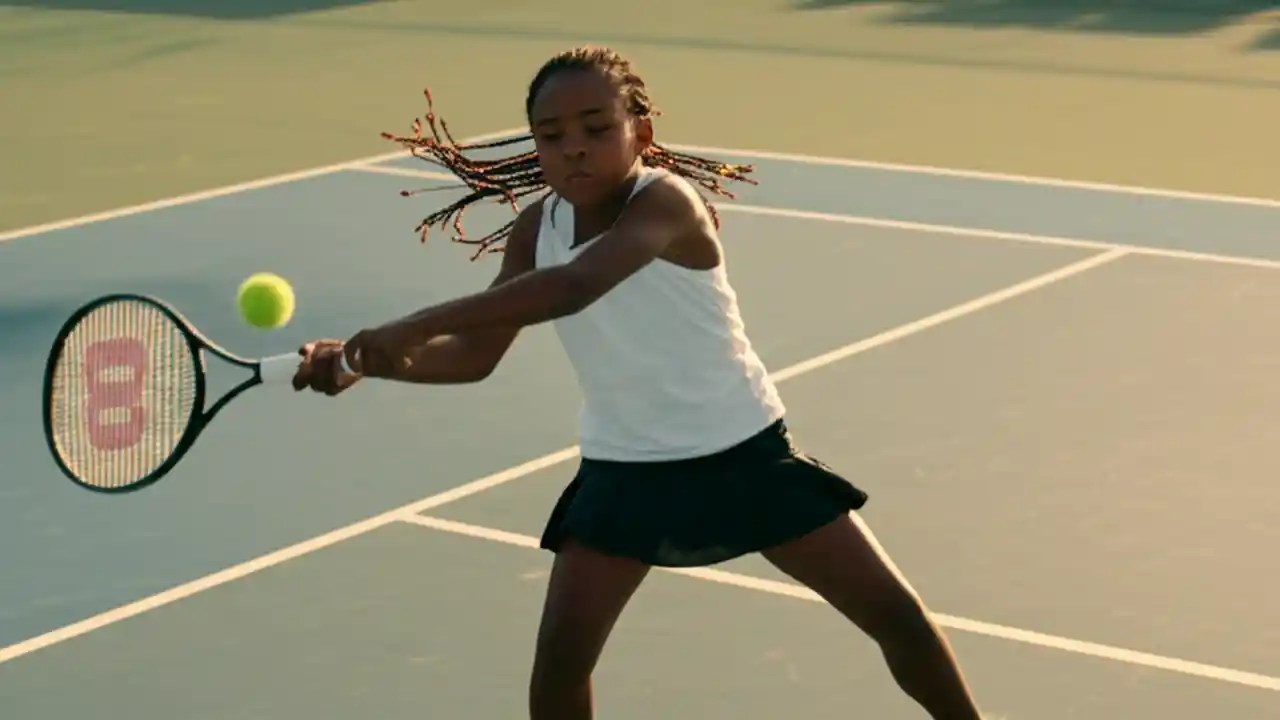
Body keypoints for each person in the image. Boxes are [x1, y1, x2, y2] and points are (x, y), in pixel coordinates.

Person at [293, 45, 984, 720]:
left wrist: (410, 325)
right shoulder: (538, 225)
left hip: (742, 454)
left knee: (896, 619)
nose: (573, 148)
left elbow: (575, 286)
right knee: (562, 663)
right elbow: (476, 357)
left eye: (597, 128)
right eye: (552, 134)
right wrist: (366, 363)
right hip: (625, 472)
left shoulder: (666, 203)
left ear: (640, 134)